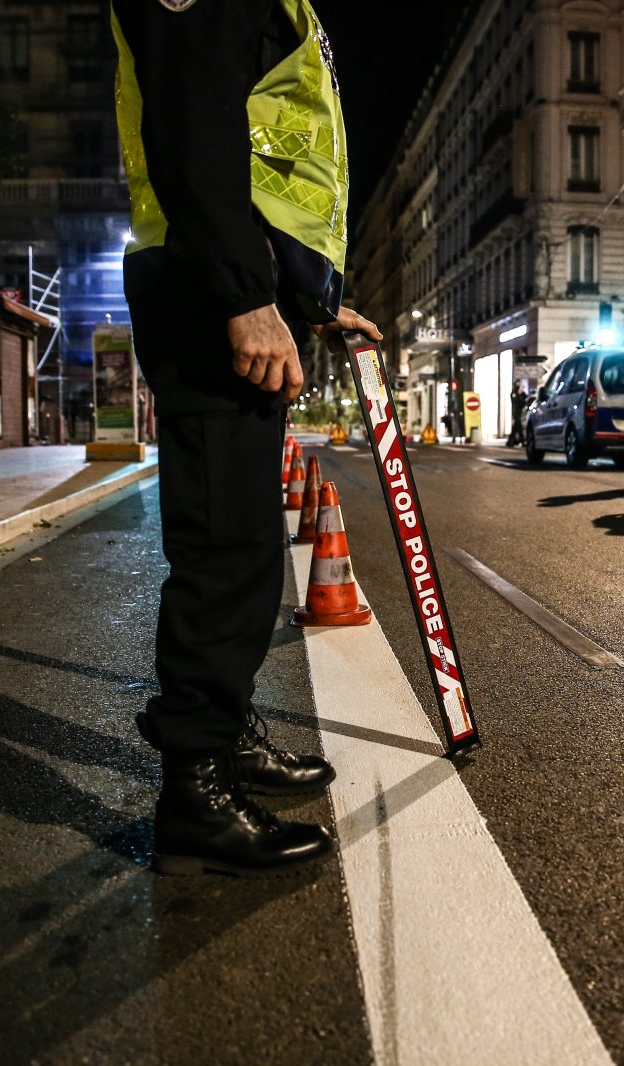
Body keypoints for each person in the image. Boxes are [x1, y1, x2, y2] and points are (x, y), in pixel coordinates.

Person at [111, 0, 380, 877]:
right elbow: (194, 120)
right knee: (224, 546)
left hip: (227, 275)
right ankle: (194, 790)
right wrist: (238, 293)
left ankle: (221, 741)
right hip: (204, 284)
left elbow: (266, 149)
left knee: (247, 547)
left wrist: (308, 301)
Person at [507, 382, 528, 446]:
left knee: (516, 427)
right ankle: (521, 441)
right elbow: (516, 401)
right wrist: (519, 395)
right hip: (516, 412)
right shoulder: (514, 393)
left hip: (520, 412)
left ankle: (511, 441)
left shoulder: (521, 393)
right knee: (519, 427)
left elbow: (525, 398)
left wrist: (521, 393)